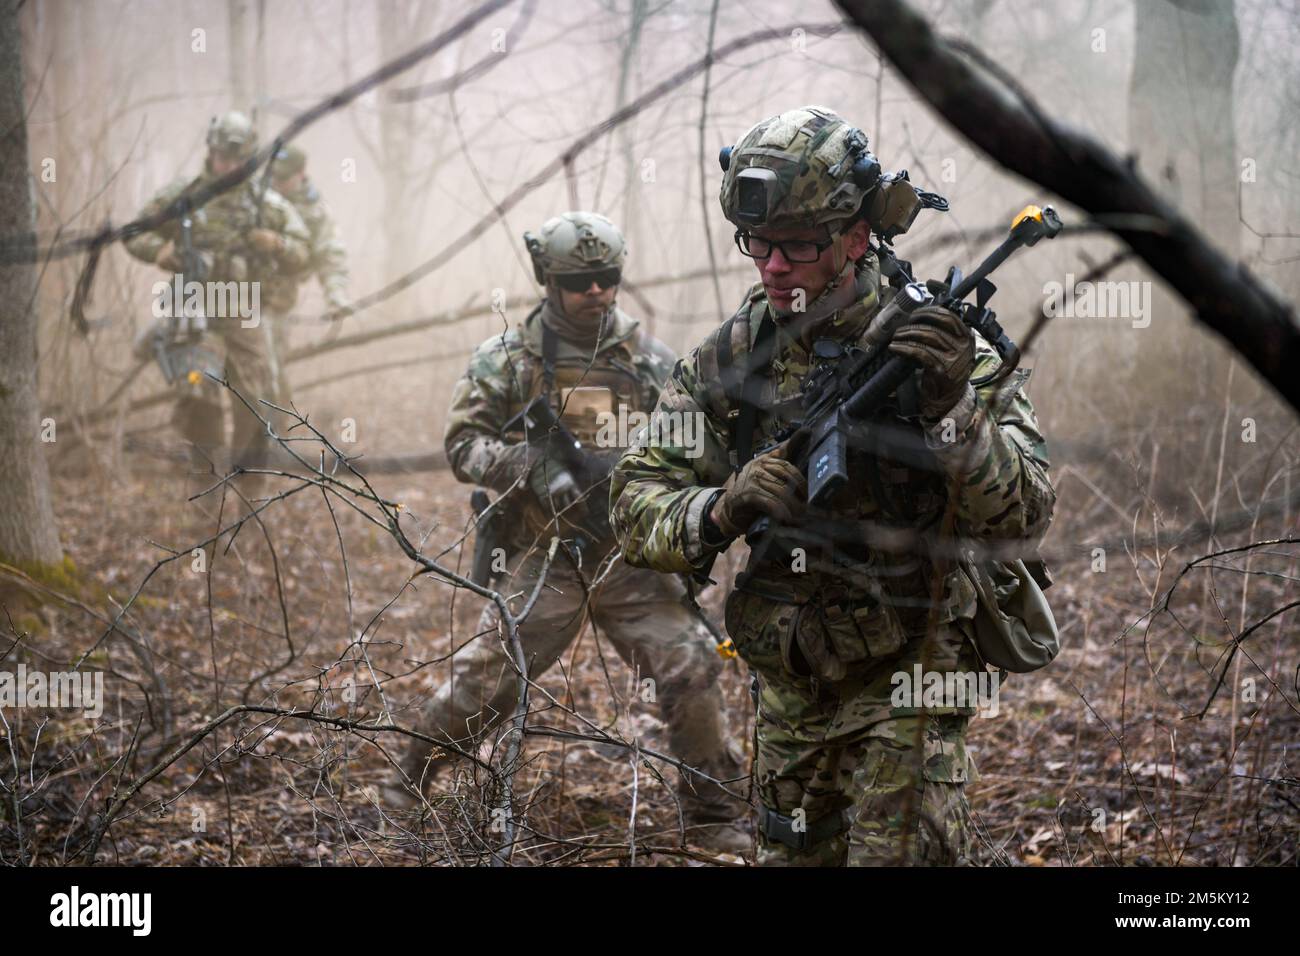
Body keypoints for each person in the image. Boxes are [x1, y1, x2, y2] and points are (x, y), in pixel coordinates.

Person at [609, 106, 1057, 865]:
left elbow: (1026, 512)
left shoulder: (939, 345)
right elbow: (635, 499)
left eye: (799, 245)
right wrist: (720, 507)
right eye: (759, 244)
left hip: (914, 670)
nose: (773, 267)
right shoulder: (733, 361)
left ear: (856, 237)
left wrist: (953, 410)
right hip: (790, 678)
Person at [385, 212, 748, 854]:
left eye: (607, 278)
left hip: (632, 557)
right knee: (486, 681)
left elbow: (694, 442)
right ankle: (404, 782)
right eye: (580, 281)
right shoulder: (509, 360)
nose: (597, 292)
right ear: (548, 280)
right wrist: (524, 465)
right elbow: (462, 444)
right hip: (548, 554)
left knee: (690, 665)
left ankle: (715, 814)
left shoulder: (649, 360)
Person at [123, 110, 310, 495]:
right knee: (198, 397)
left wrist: (277, 244)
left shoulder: (265, 204)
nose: (231, 166)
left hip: (243, 308)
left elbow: (303, 251)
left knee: (256, 400)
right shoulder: (185, 195)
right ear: (211, 153)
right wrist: (159, 251)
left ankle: (248, 497)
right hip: (195, 308)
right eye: (225, 157)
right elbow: (133, 232)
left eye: (239, 159)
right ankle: (206, 491)